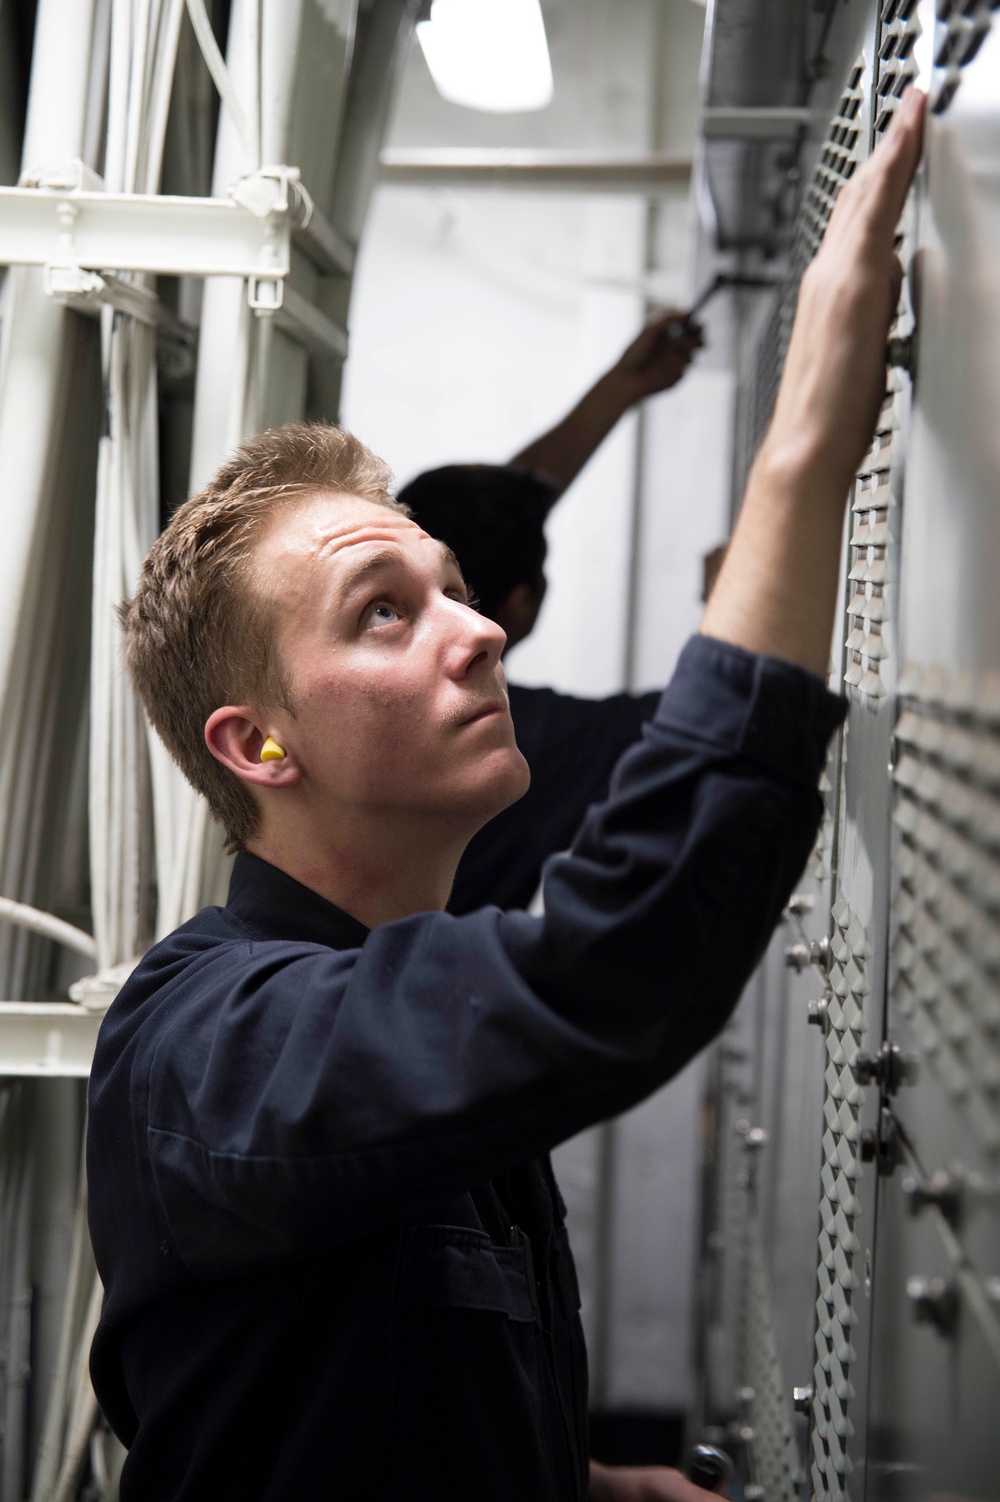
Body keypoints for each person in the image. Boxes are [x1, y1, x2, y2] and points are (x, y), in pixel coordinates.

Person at [86, 90, 926, 1502]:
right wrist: (806, 450)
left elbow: (340, 1398)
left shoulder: (401, 1002)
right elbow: (617, 961)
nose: (479, 633)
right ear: (259, 746)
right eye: (384, 612)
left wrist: (577, 1482)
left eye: (460, 592)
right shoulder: (211, 1045)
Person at [397, 313, 703, 915]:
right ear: (521, 603)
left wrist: (621, 387)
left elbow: (486, 522)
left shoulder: (371, 698)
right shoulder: (514, 739)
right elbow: (712, 717)